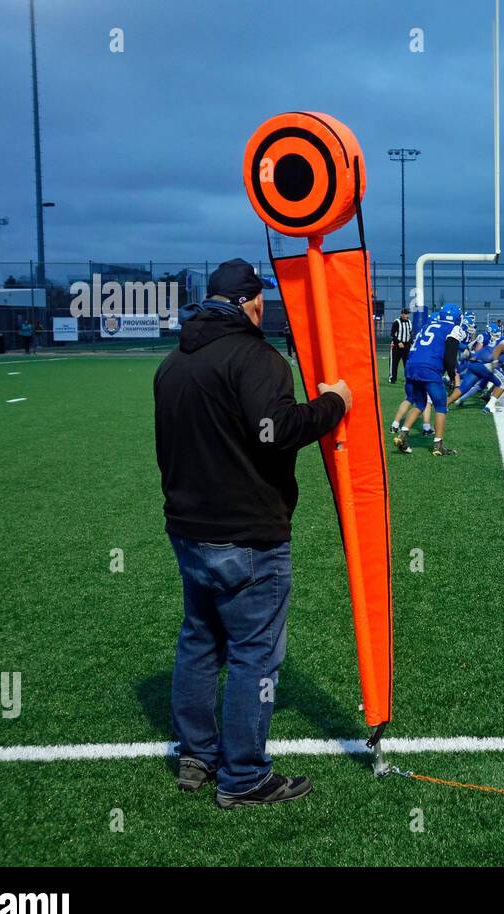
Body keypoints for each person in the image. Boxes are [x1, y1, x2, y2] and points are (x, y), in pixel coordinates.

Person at [153, 258, 351, 808]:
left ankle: (196, 753)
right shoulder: (256, 357)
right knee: (253, 654)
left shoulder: (172, 363)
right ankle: (243, 776)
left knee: (200, 641)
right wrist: (334, 403)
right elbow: (277, 431)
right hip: (247, 532)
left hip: (189, 528)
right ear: (250, 302)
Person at [393, 304, 464, 456]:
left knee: (419, 403)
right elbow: (450, 357)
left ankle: (403, 435)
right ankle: (438, 446)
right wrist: (452, 377)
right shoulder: (454, 328)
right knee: (440, 406)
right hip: (429, 368)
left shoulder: (428, 325)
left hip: (411, 366)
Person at [389, 307, 413, 384]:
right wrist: (398, 342)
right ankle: (392, 379)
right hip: (396, 346)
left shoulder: (409, 322)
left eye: (408, 314)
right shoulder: (397, 322)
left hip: (406, 346)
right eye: (406, 314)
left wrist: (411, 342)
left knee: (407, 364)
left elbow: (410, 334)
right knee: (394, 363)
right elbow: (392, 334)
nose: (407, 315)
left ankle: (408, 379)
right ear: (402, 314)